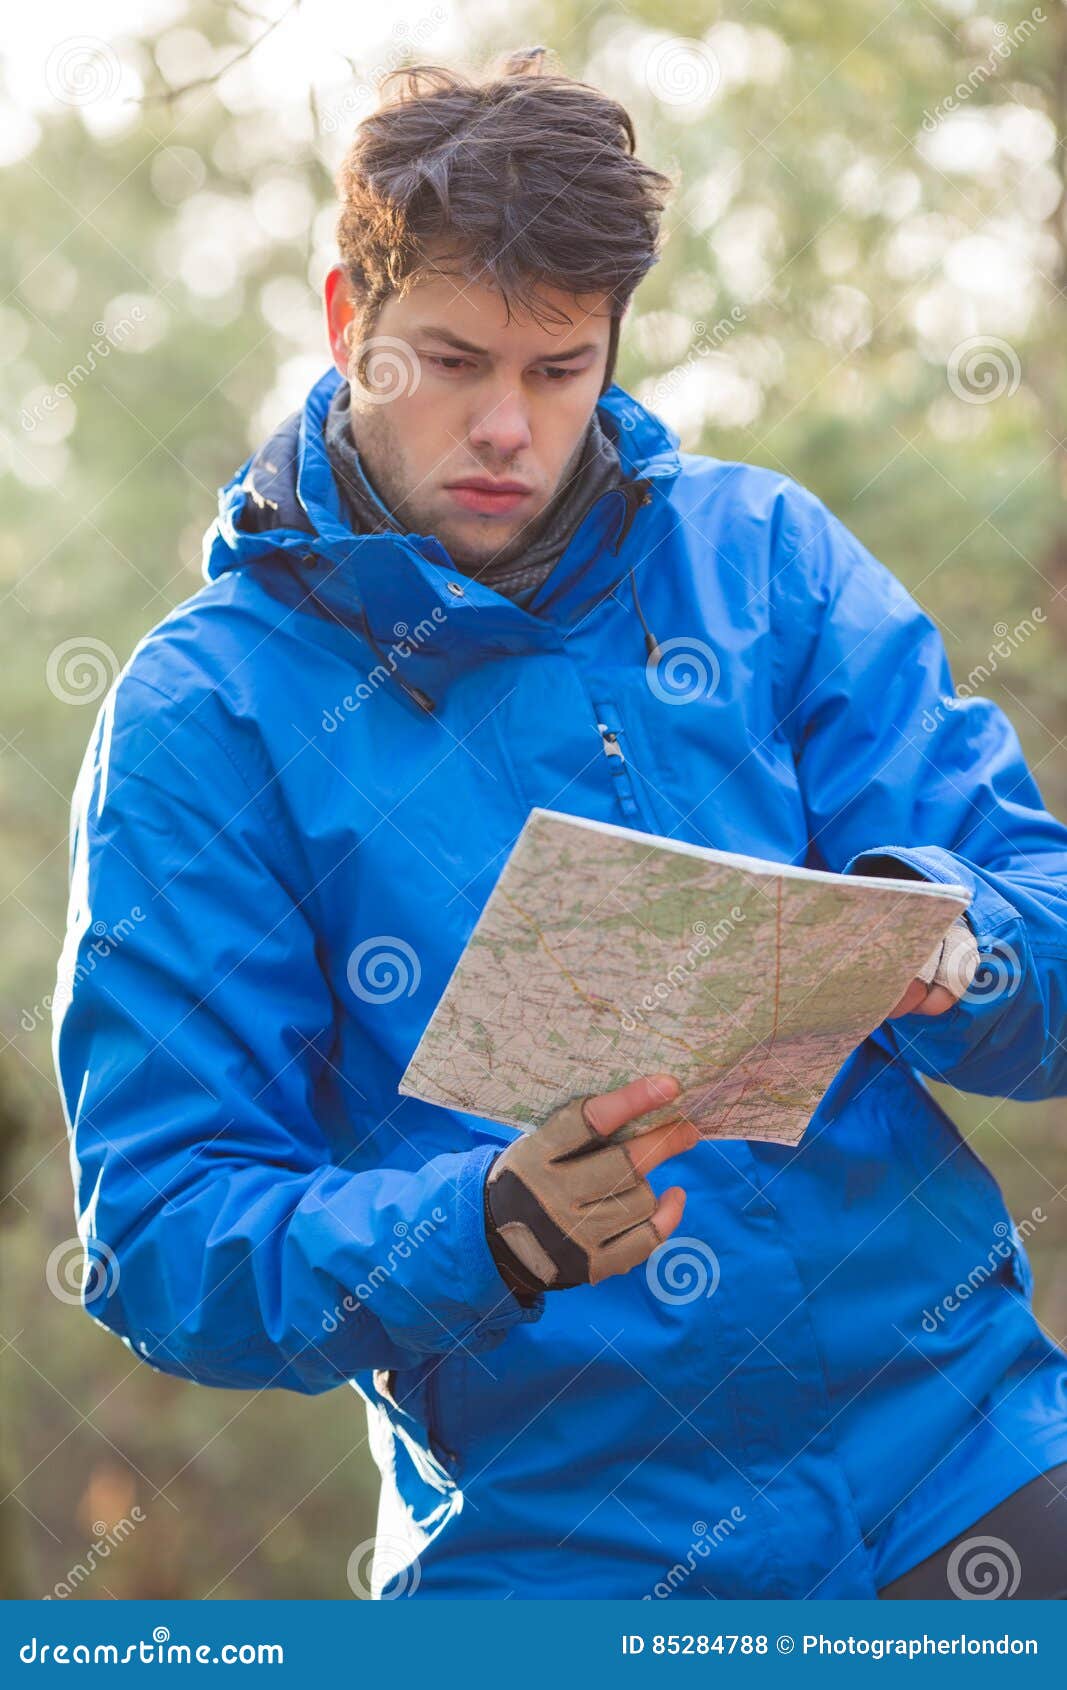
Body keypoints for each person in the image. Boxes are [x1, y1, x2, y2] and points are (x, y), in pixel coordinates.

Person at [53, 48, 1067, 1600]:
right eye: (450, 361)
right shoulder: (207, 718)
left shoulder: (765, 562)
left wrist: (958, 938)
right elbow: (164, 1231)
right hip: (567, 1560)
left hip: (967, 1454)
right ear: (349, 324)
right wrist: (484, 1229)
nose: (507, 428)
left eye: (558, 367)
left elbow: (1038, 925)